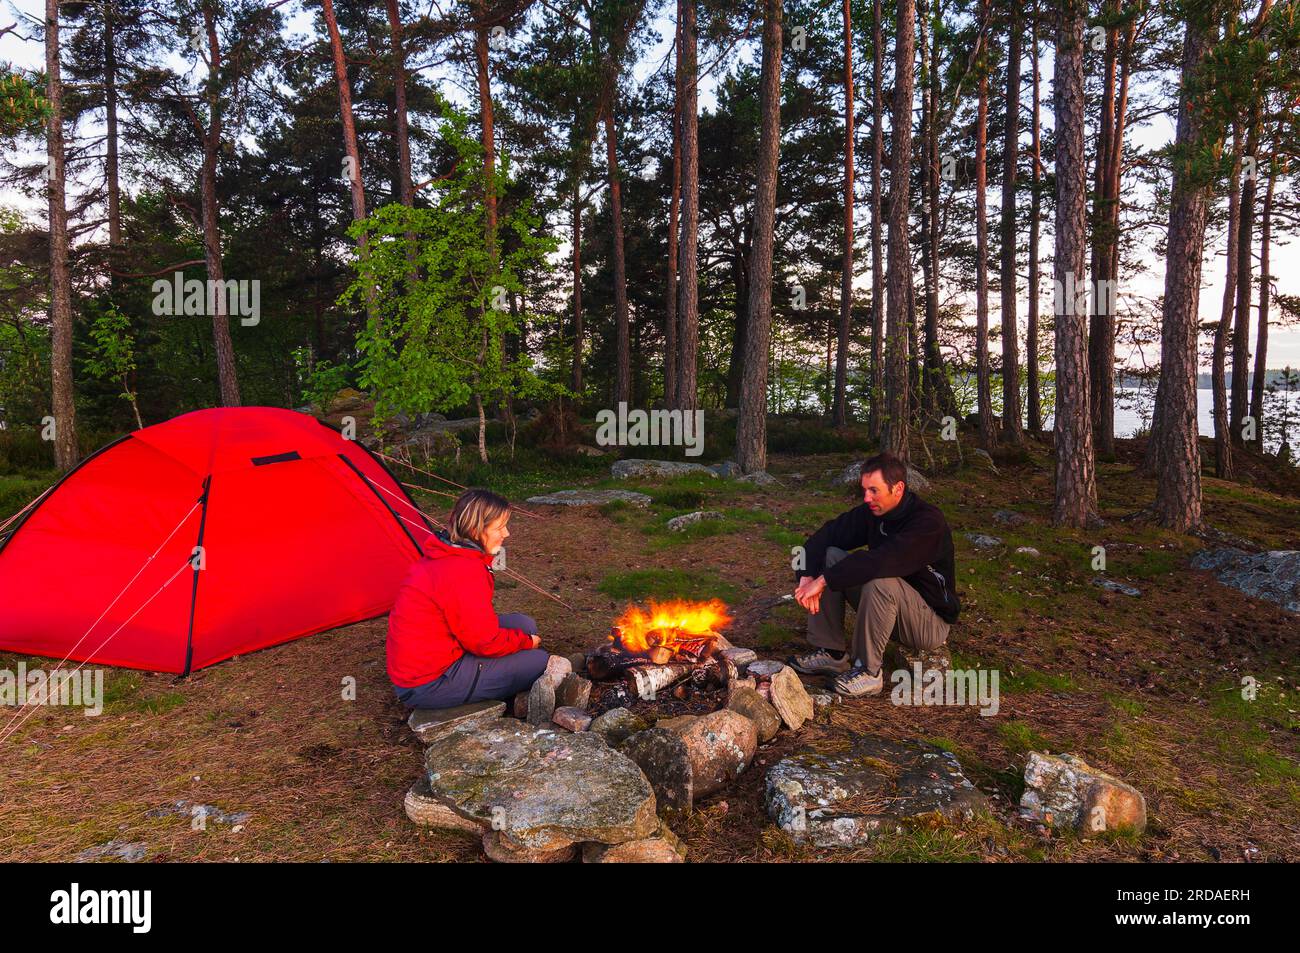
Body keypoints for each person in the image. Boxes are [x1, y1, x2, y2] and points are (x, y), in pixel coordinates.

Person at [789, 452, 959, 697]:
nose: (867, 498)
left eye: (874, 491)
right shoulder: (873, 512)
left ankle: (867, 671)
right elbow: (826, 535)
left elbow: (883, 560)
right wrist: (807, 575)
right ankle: (832, 653)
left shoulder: (928, 522)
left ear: (898, 488)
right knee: (830, 556)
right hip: (887, 606)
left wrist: (823, 580)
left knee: (879, 578)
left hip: (928, 622)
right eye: (865, 490)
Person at [387, 488, 548, 709]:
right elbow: (484, 642)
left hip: (437, 653)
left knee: (524, 623)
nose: (507, 533)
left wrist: (522, 638)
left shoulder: (448, 552)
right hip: (429, 682)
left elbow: (472, 628)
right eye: (499, 527)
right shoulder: (463, 570)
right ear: (475, 530)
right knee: (538, 661)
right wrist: (526, 642)